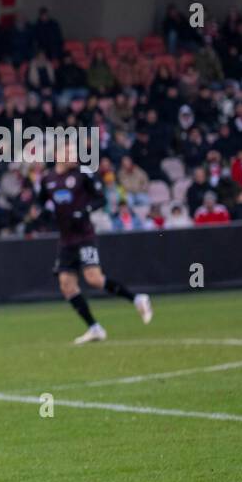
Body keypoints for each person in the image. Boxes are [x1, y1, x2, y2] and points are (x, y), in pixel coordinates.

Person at [39, 143, 152, 343]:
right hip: (66, 241)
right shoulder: (48, 179)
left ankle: (137, 299)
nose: (74, 155)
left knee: (94, 279)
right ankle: (94, 328)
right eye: (69, 152)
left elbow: (100, 199)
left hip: (84, 236)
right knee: (66, 285)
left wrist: (84, 211)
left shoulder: (83, 174)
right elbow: (42, 203)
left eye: (74, 152)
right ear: (57, 155)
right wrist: (45, 215)